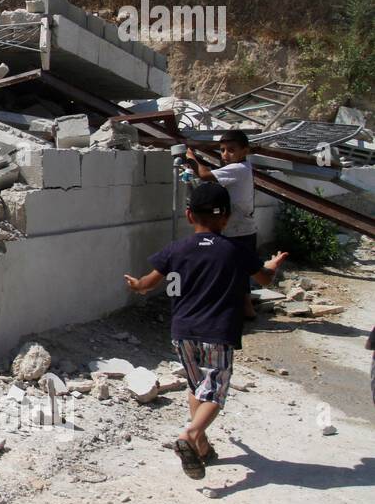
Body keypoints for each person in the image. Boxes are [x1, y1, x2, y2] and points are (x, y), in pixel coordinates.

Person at [123, 182, 287, 479]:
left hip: (182, 332)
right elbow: (264, 280)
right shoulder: (236, 250)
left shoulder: (176, 249)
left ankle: (201, 446)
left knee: (197, 386)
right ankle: (189, 434)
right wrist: (272, 265)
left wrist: (136, 285)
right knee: (215, 392)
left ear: (188, 215)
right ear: (225, 217)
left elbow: (147, 284)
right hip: (218, 332)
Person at [186, 129, 258, 319]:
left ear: (245, 151)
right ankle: (246, 309)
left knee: (230, 270)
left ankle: (237, 310)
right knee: (240, 272)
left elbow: (204, 175)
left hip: (237, 230)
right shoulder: (244, 166)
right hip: (243, 227)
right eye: (223, 150)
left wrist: (190, 157)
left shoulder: (238, 169)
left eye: (231, 150)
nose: (225, 155)